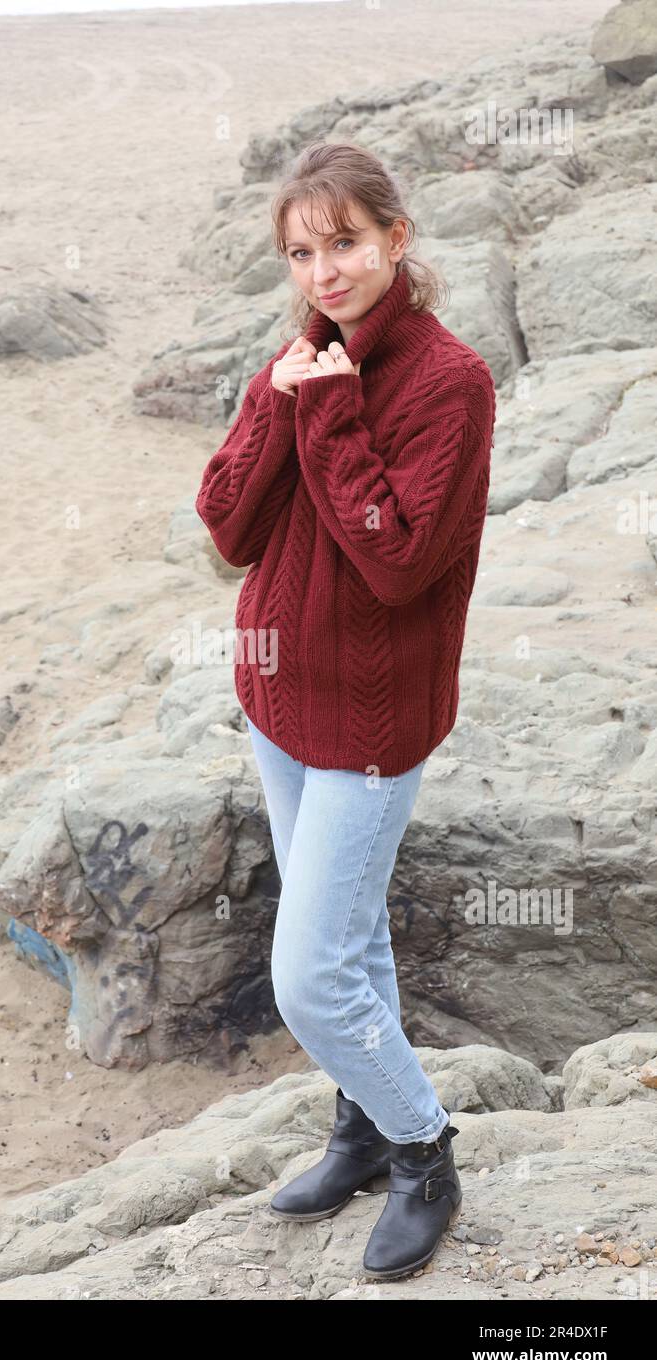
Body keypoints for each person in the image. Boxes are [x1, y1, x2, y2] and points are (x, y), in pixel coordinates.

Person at [195, 140, 496, 1280]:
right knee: (352, 939)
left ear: (394, 240)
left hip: (370, 728)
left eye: (345, 245)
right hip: (278, 699)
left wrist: (322, 413)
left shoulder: (448, 382)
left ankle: (423, 1149)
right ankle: (361, 1130)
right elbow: (226, 524)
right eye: (302, 253)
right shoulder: (300, 356)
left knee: (308, 972)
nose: (324, 272)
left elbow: (397, 563)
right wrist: (284, 400)